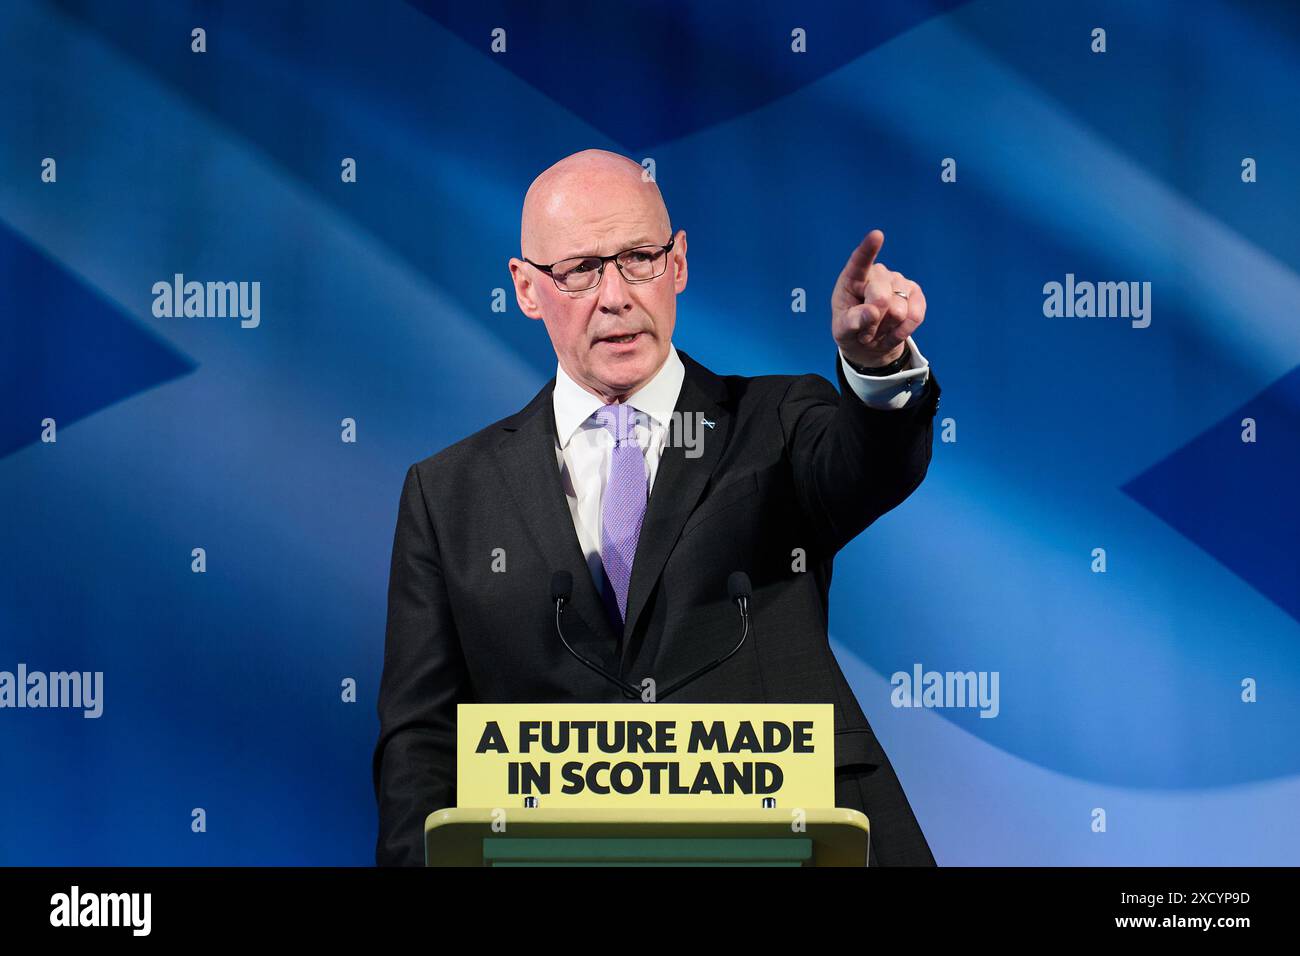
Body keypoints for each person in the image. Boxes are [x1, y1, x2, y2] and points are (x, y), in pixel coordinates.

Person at [373, 149, 942, 866]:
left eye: (639, 258)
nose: (615, 296)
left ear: (677, 263)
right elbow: (421, 742)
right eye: (580, 269)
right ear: (524, 286)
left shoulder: (776, 421)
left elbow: (869, 466)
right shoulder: (448, 494)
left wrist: (877, 367)